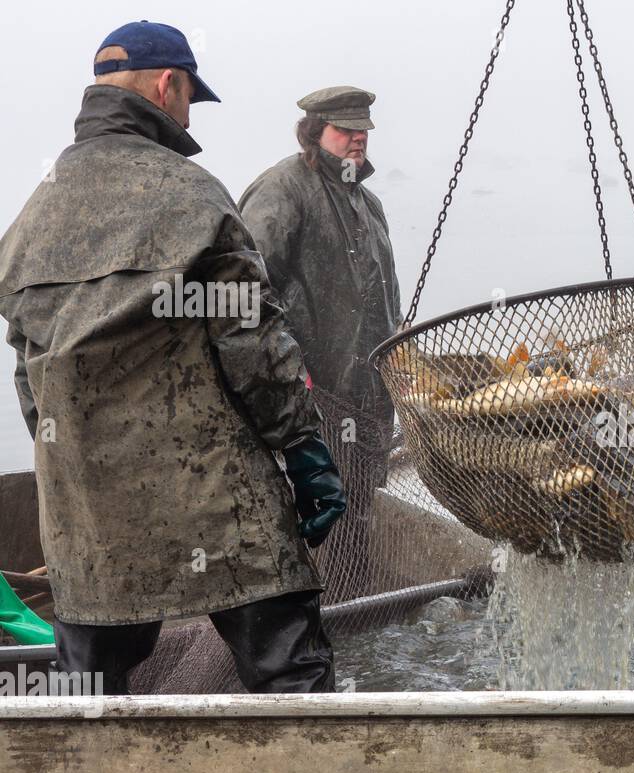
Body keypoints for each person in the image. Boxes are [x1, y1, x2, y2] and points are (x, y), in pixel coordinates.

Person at [0, 21, 346, 693]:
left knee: (88, 698)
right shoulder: (192, 194)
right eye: (190, 97)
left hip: (90, 527)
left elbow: (31, 383)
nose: (188, 114)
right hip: (218, 507)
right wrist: (304, 446)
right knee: (292, 680)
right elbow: (253, 340)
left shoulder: (27, 222)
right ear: (168, 85)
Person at [239, 86, 401, 602]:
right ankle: (305, 615)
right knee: (310, 508)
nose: (358, 138)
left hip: (367, 394)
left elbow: (382, 297)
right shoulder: (283, 189)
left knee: (356, 509)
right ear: (314, 131)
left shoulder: (367, 202)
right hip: (308, 393)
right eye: (345, 128)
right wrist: (288, 371)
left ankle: (350, 612)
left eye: (363, 130)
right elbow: (246, 293)